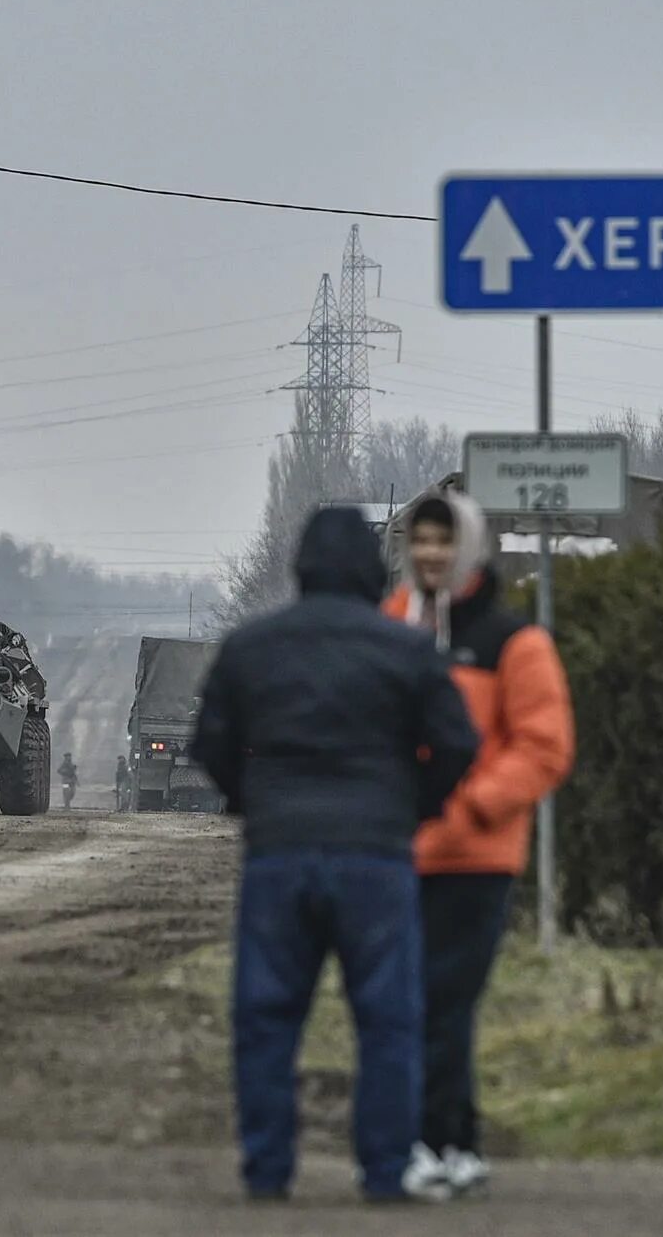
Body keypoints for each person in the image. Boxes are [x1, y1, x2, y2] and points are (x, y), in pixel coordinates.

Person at [192, 506, 478, 1204]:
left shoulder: (252, 647)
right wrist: (414, 806)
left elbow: (211, 744)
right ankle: (383, 1174)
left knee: (266, 1015)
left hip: (278, 854)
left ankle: (267, 1171)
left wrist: (250, 799)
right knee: (387, 1019)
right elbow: (457, 743)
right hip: (376, 857)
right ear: (374, 573)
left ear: (300, 568)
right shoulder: (406, 650)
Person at [384, 491, 575, 1198]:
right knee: (413, 1001)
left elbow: (545, 747)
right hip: (397, 853)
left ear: (467, 547)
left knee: (443, 999)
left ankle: (432, 1140)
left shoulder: (512, 641)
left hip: (476, 856)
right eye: (420, 540)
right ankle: (454, 1141)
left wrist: (470, 807)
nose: (430, 552)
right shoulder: (389, 628)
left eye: (443, 539)